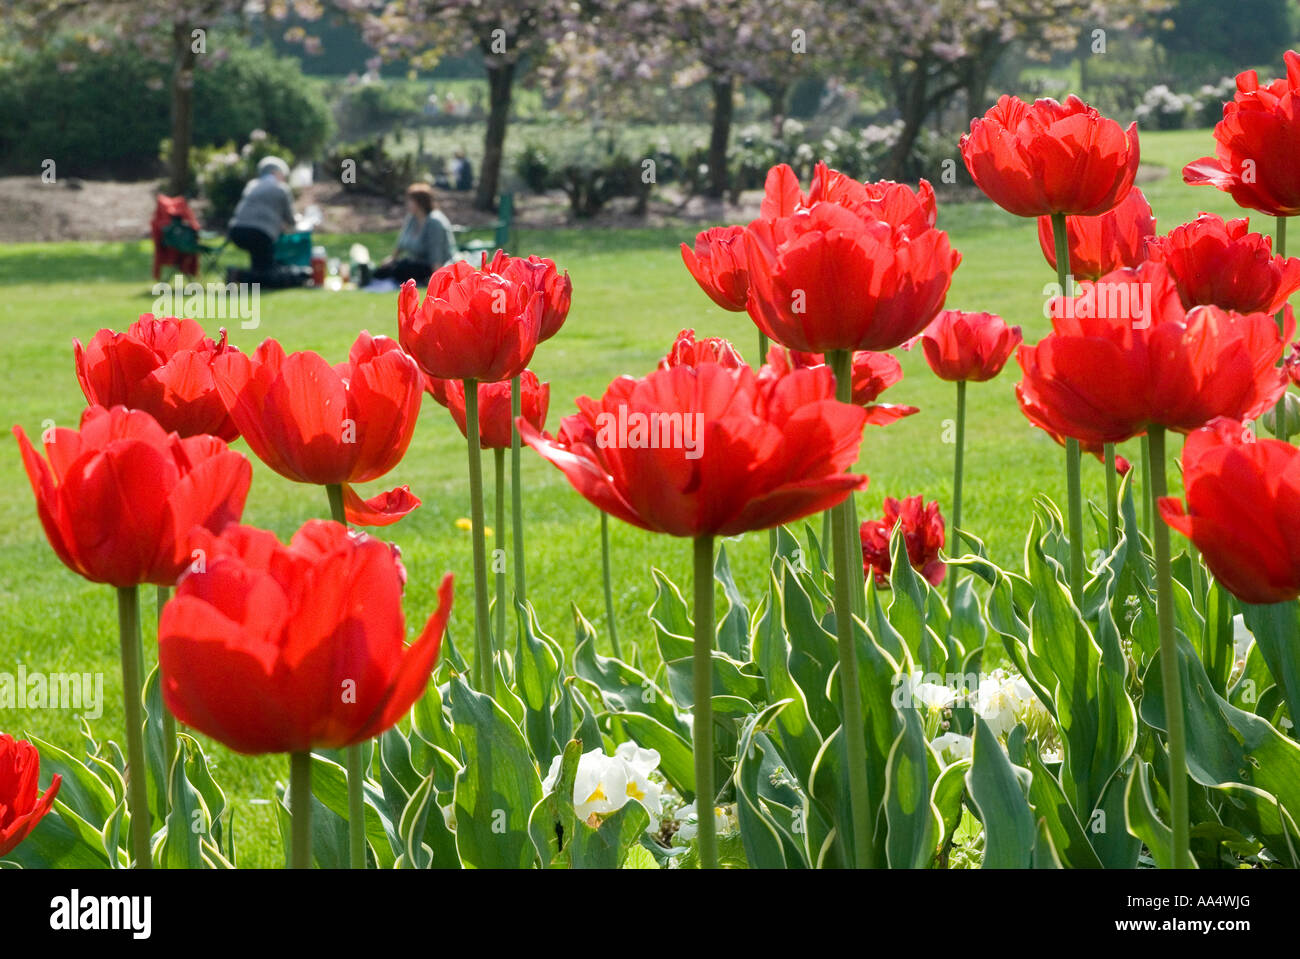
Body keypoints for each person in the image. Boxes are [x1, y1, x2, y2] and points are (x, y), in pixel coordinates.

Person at [374, 183, 457, 285]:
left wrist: (437, 281)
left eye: (410, 201)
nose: (407, 204)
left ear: (420, 202)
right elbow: (401, 241)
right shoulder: (412, 218)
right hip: (415, 263)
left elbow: (437, 253)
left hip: (432, 266)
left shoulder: (435, 222)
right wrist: (392, 259)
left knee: (399, 271)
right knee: (382, 271)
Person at [228, 156, 296, 275]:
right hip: (261, 233)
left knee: (260, 262)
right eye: (282, 174)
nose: (284, 178)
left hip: (236, 231)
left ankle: (240, 276)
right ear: (275, 172)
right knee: (267, 271)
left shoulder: (251, 186)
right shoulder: (281, 189)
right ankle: (239, 275)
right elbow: (290, 218)